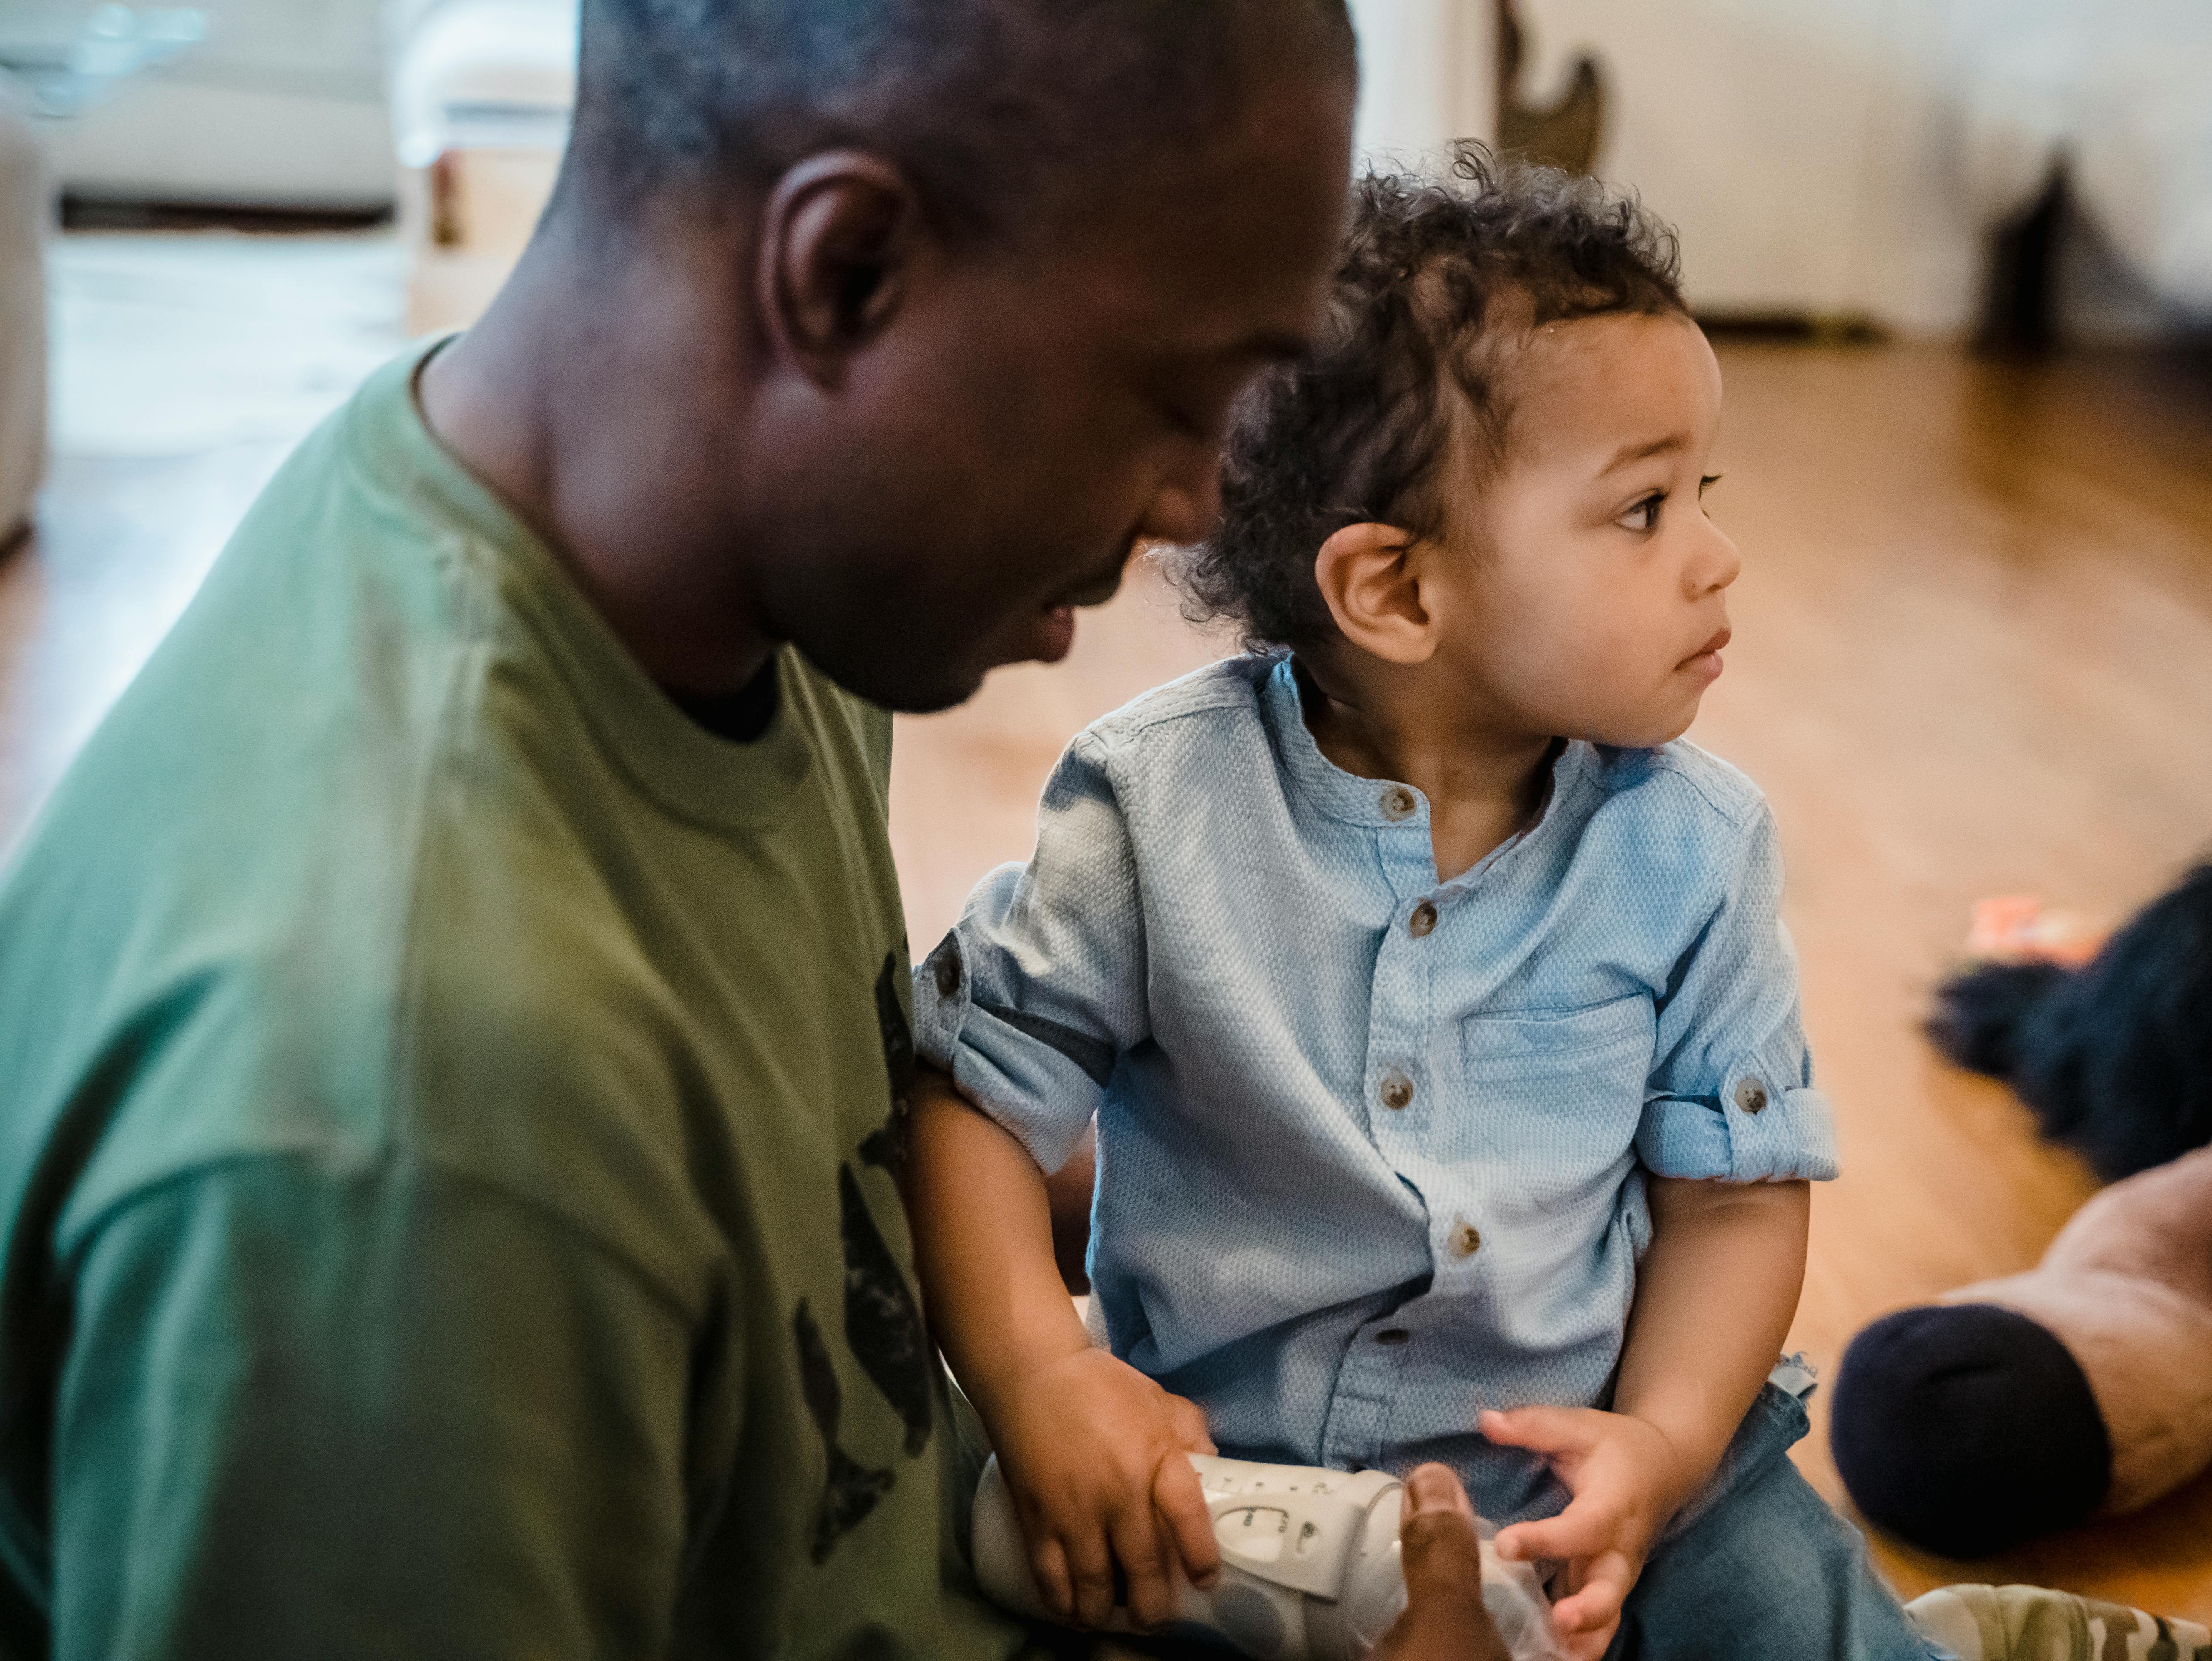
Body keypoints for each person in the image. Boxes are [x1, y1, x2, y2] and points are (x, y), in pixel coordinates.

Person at [0, 0, 1511, 1655]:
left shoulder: (713, 580)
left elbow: (806, 1194)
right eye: (1173, 399)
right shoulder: (407, 1128)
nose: (1200, 506)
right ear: (846, 272)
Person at [903, 151, 1945, 1661]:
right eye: (1644, 510)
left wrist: (1656, 1449)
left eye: (1698, 495)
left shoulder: (1695, 848)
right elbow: (974, 1102)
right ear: (1394, 592)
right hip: (1242, 1503)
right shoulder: (1151, 805)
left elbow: (1731, 1201)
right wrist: (1038, 1378)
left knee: (1809, 1624)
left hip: (1599, 1485)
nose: (1719, 561)